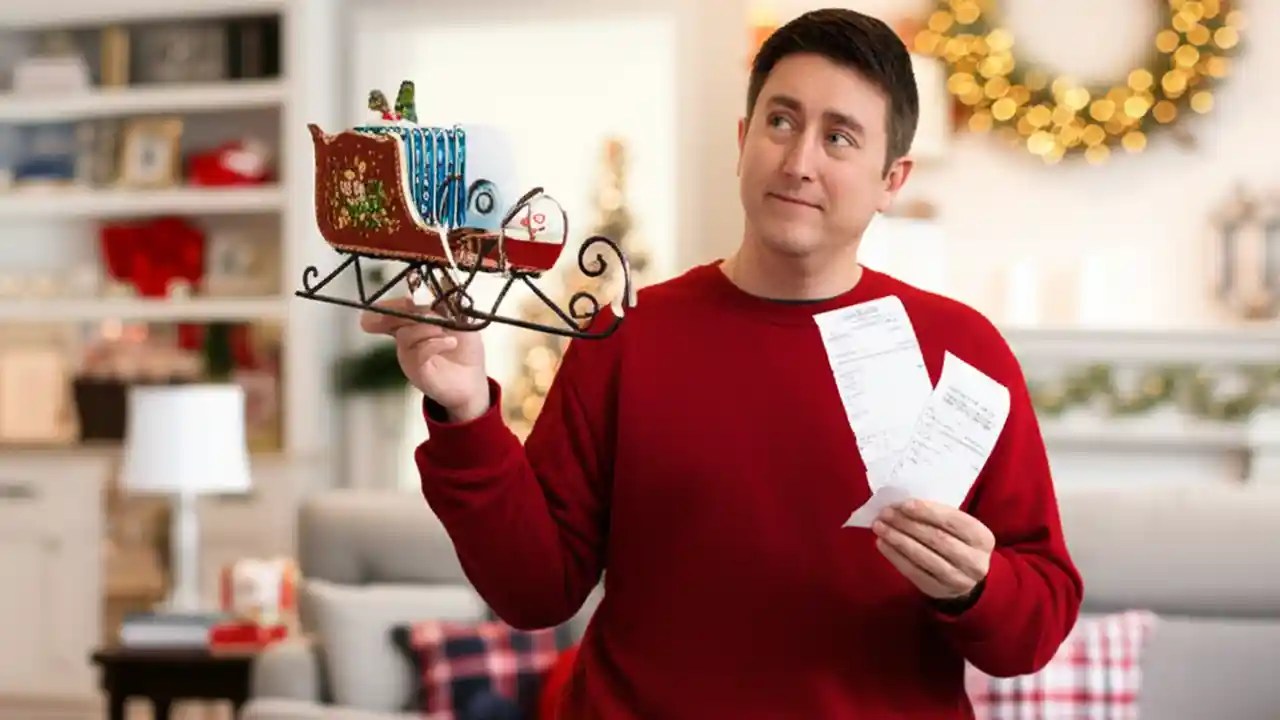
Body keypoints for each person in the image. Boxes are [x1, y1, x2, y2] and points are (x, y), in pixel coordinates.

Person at [362, 8, 1083, 719]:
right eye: (780, 122)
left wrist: (977, 585)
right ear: (742, 140)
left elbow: (1035, 627)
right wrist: (465, 414)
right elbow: (533, 593)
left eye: (839, 138)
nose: (799, 162)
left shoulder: (963, 349)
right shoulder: (627, 336)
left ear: (892, 178)